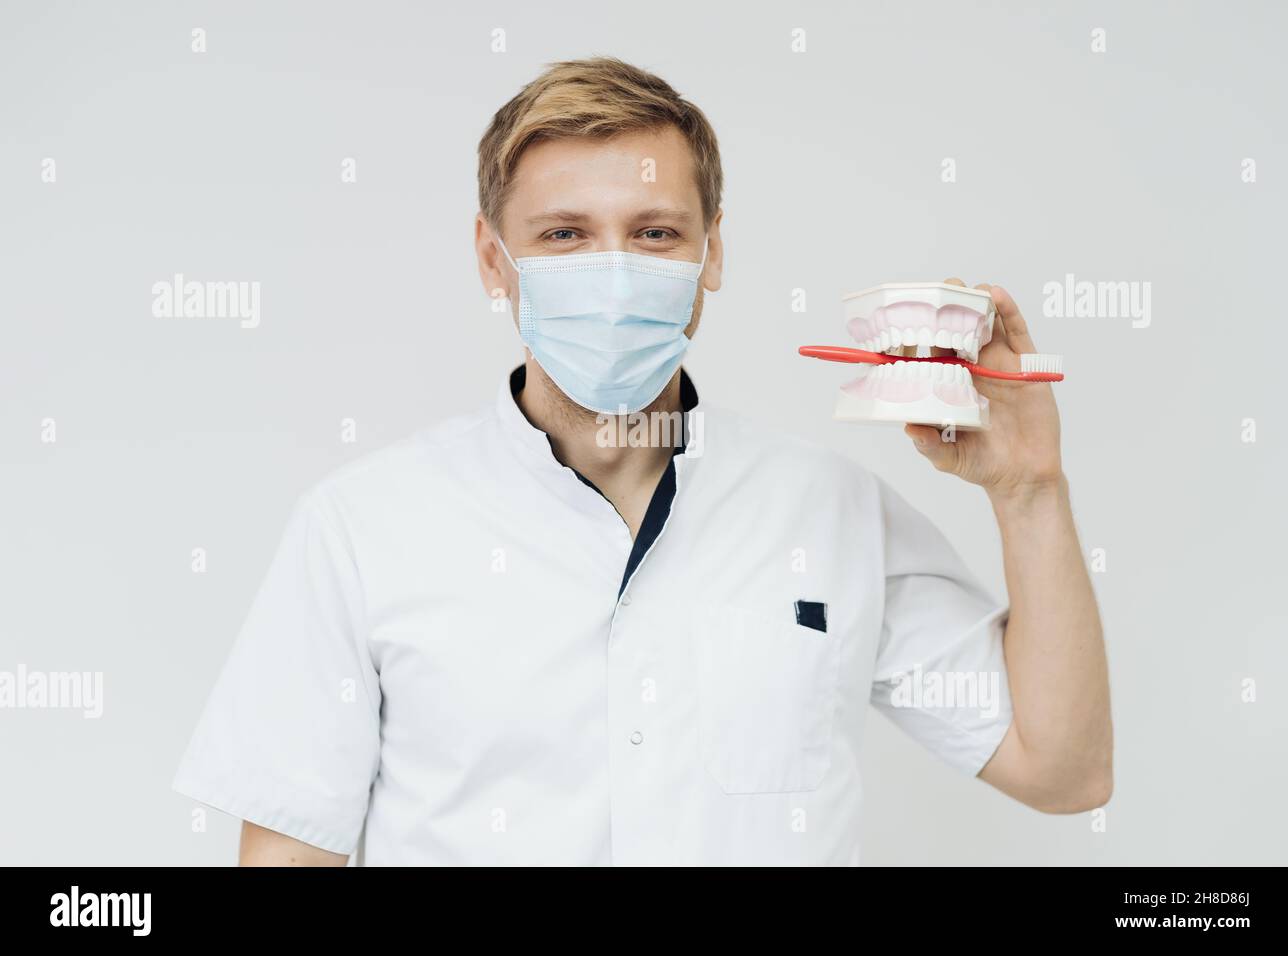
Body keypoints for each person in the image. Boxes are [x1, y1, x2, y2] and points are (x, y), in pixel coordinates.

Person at [174, 56, 1112, 866]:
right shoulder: (362, 529)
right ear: (494, 260)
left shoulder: (830, 513)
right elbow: (292, 853)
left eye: (655, 233)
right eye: (565, 235)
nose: (615, 272)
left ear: (710, 255)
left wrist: (1032, 490)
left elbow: (1063, 771)